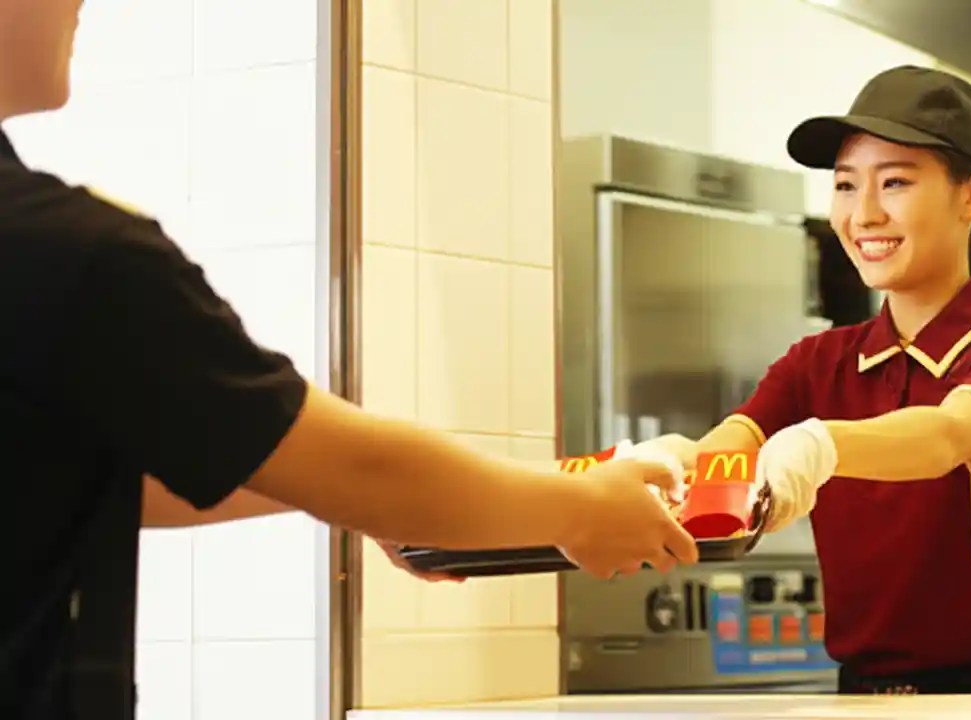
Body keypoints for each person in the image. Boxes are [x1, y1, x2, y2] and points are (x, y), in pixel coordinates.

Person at [0, 1, 697, 718]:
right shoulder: (75, 253)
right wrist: (577, 505)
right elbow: (351, 466)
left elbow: (108, 477)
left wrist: (403, 501)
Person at [659, 66, 971, 694]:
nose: (864, 214)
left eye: (896, 183)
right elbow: (730, 448)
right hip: (857, 697)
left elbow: (945, 435)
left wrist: (822, 445)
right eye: (846, 187)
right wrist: (664, 467)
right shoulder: (816, 361)